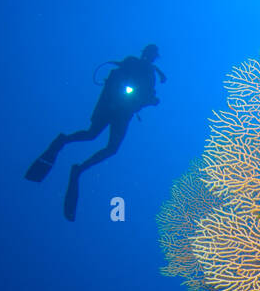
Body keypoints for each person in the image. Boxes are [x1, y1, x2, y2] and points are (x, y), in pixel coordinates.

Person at [24, 45, 166, 221]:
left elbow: (145, 98)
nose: (150, 58)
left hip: (123, 114)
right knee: (91, 135)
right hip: (110, 107)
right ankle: (63, 142)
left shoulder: (150, 75)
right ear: (145, 53)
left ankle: (79, 168)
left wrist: (151, 101)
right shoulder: (131, 62)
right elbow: (115, 80)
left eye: (152, 56)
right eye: (149, 54)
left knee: (111, 148)